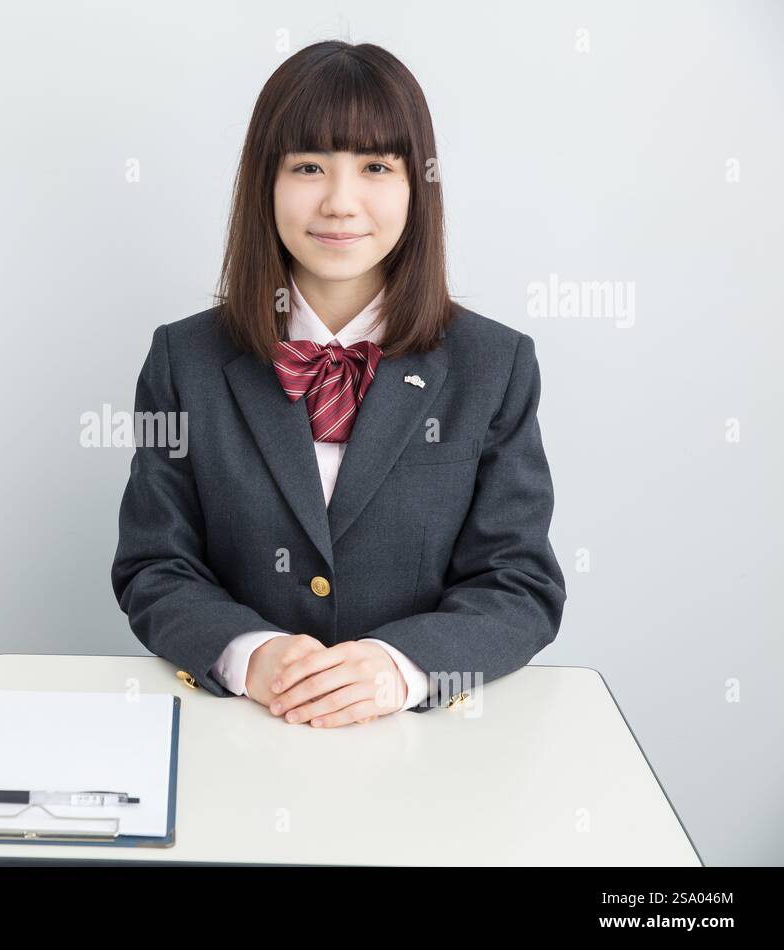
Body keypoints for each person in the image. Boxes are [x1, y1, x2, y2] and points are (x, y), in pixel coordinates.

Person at [110, 40, 567, 728]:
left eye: (377, 166)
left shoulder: (493, 365)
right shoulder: (184, 359)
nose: (340, 201)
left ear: (419, 186)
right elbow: (154, 565)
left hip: (426, 750)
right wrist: (250, 654)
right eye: (308, 166)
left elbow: (519, 584)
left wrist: (400, 666)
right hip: (239, 734)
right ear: (265, 180)